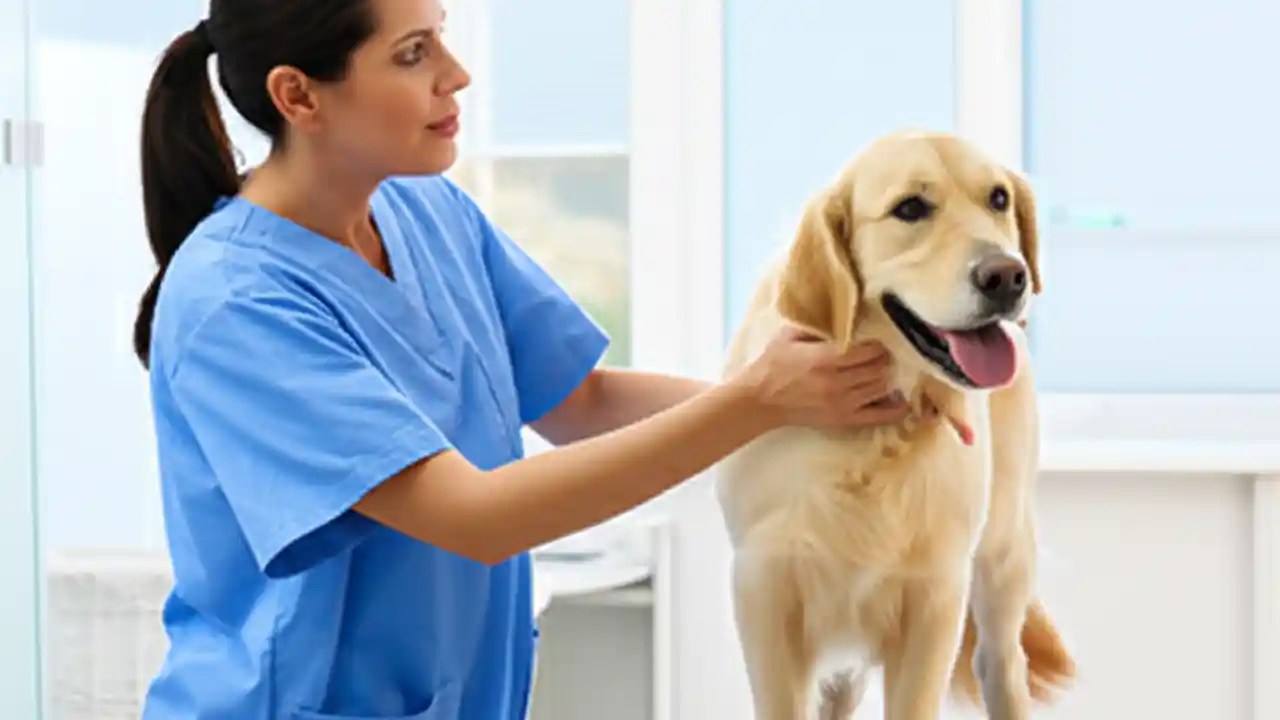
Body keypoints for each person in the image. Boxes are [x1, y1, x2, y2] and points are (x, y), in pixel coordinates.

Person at [134, 0, 909, 717]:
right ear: (299, 97)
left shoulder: (423, 209)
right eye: (412, 53)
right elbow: (476, 517)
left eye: (440, 34)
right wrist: (756, 404)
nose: (456, 73)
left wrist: (817, 402)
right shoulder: (235, 302)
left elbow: (584, 403)